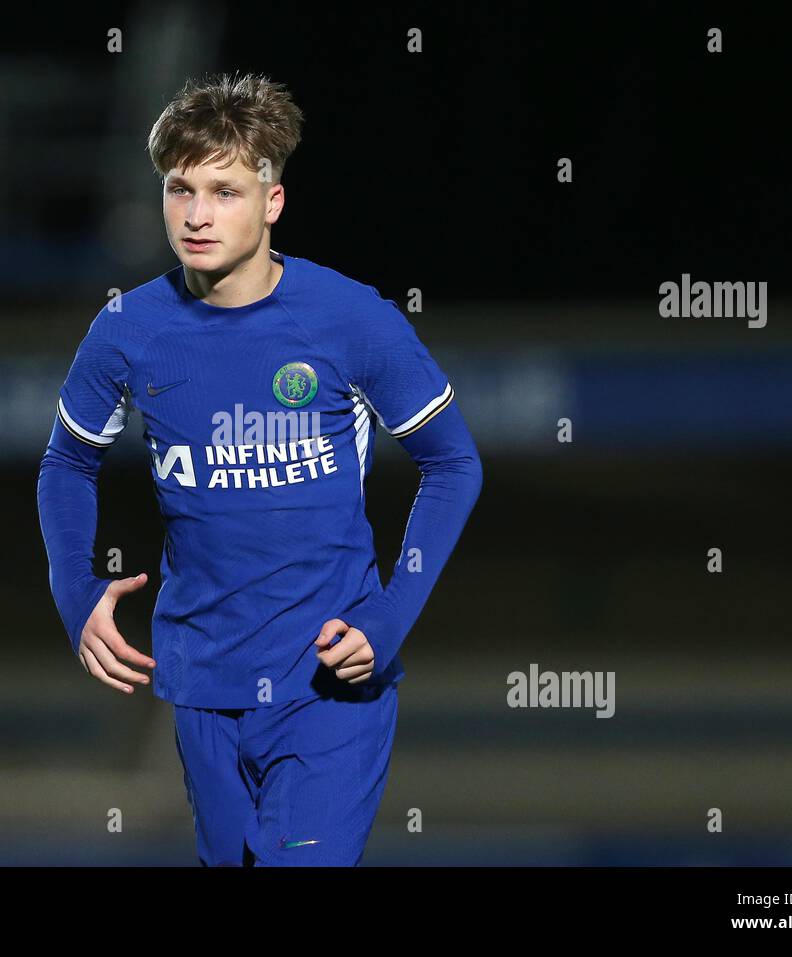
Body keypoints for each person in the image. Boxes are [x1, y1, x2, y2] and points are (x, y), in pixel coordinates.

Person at [37, 71, 482, 866]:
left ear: (272, 203)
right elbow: (68, 459)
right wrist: (75, 589)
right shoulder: (126, 332)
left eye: (225, 190)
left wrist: (387, 618)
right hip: (201, 682)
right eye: (180, 189)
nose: (197, 214)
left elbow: (453, 461)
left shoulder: (351, 320)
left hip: (327, 687)